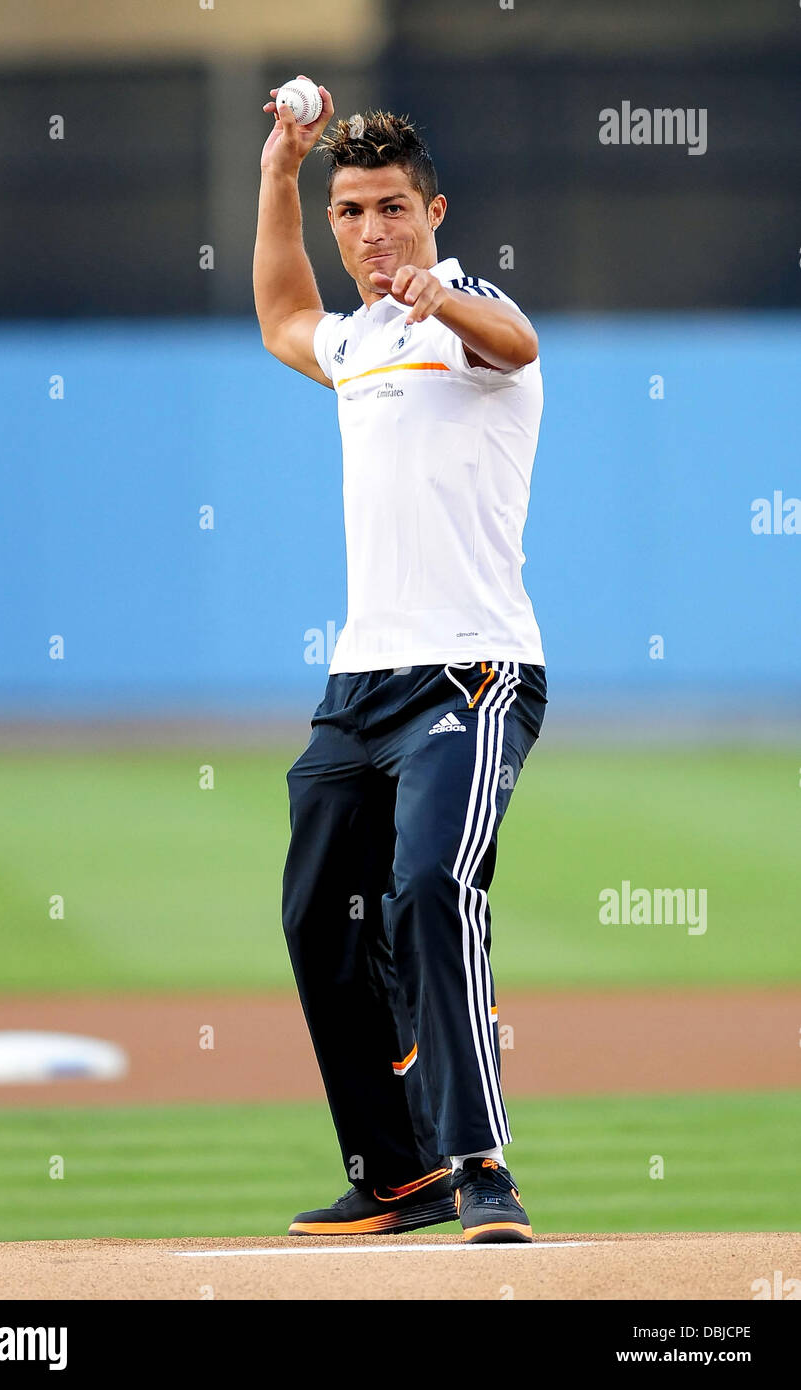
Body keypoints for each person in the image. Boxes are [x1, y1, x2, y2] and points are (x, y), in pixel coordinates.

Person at [253, 80, 548, 1244]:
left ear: (434, 208)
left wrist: (446, 299)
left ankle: (481, 1165)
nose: (372, 231)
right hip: (361, 686)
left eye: (391, 207)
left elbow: (519, 344)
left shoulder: (466, 314)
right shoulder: (364, 338)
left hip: (472, 675)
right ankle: (398, 1169)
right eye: (352, 213)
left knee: (430, 887)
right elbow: (283, 318)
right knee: (319, 910)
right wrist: (279, 171)